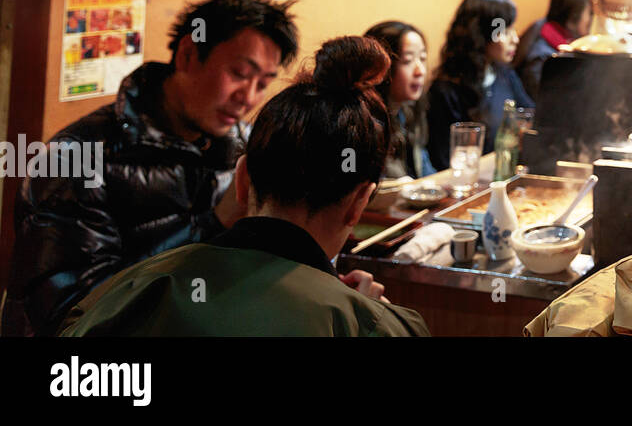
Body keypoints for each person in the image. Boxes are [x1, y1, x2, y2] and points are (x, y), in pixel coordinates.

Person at [59, 36, 429, 336]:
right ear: (359, 202)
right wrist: (359, 313)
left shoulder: (131, 293)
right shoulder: (376, 327)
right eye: (238, 72)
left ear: (242, 179)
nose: (246, 93)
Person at [3, 0, 298, 337]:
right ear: (188, 54)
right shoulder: (74, 160)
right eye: (237, 73)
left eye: (263, 83)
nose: (248, 98)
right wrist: (215, 224)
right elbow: (74, 316)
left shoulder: (243, 145)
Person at [427, 0, 534, 170]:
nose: (515, 39)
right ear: (481, 34)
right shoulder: (446, 90)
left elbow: (529, 115)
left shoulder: (505, 74)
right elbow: (444, 160)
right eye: (505, 31)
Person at [365, 21, 432, 179]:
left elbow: (425, 171)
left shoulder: (409, 109)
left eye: (422, 58)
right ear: (381, 67)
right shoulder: (364, 124)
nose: (420, 71)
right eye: (407, 61)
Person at [513, 0, 592, 101]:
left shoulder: (565, 39)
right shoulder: (542, 57)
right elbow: (548, 102)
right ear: (572, 17)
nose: (592, 19)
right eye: (589, 12)